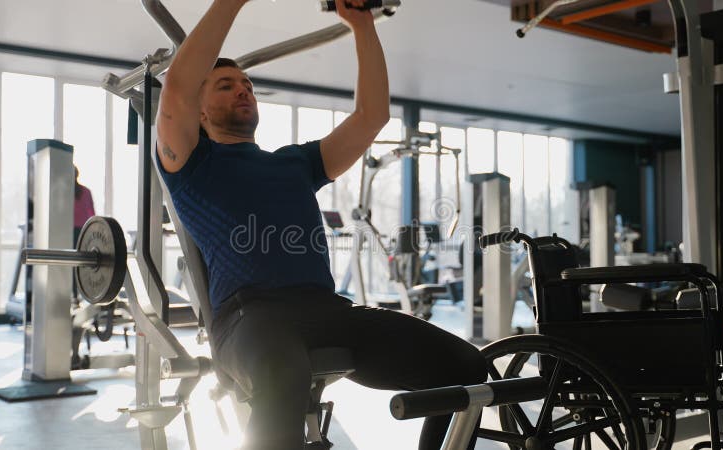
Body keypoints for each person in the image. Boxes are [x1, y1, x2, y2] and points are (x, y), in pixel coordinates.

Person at [155, 0, 487, 449]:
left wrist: (362, 24)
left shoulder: (296, 162)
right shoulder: (193, 165)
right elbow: (176, 88)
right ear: (198, 111)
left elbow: (371, 116)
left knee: (466, 367)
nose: (243, 90)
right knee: (283, 375)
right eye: (226, 85)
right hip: (249, 320)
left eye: (247, 84)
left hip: (328, 311)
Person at [73, 166, 96, 244]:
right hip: (84, 227)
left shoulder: (66, 192)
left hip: (70, 228)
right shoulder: (87, 191)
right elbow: (92, 212)